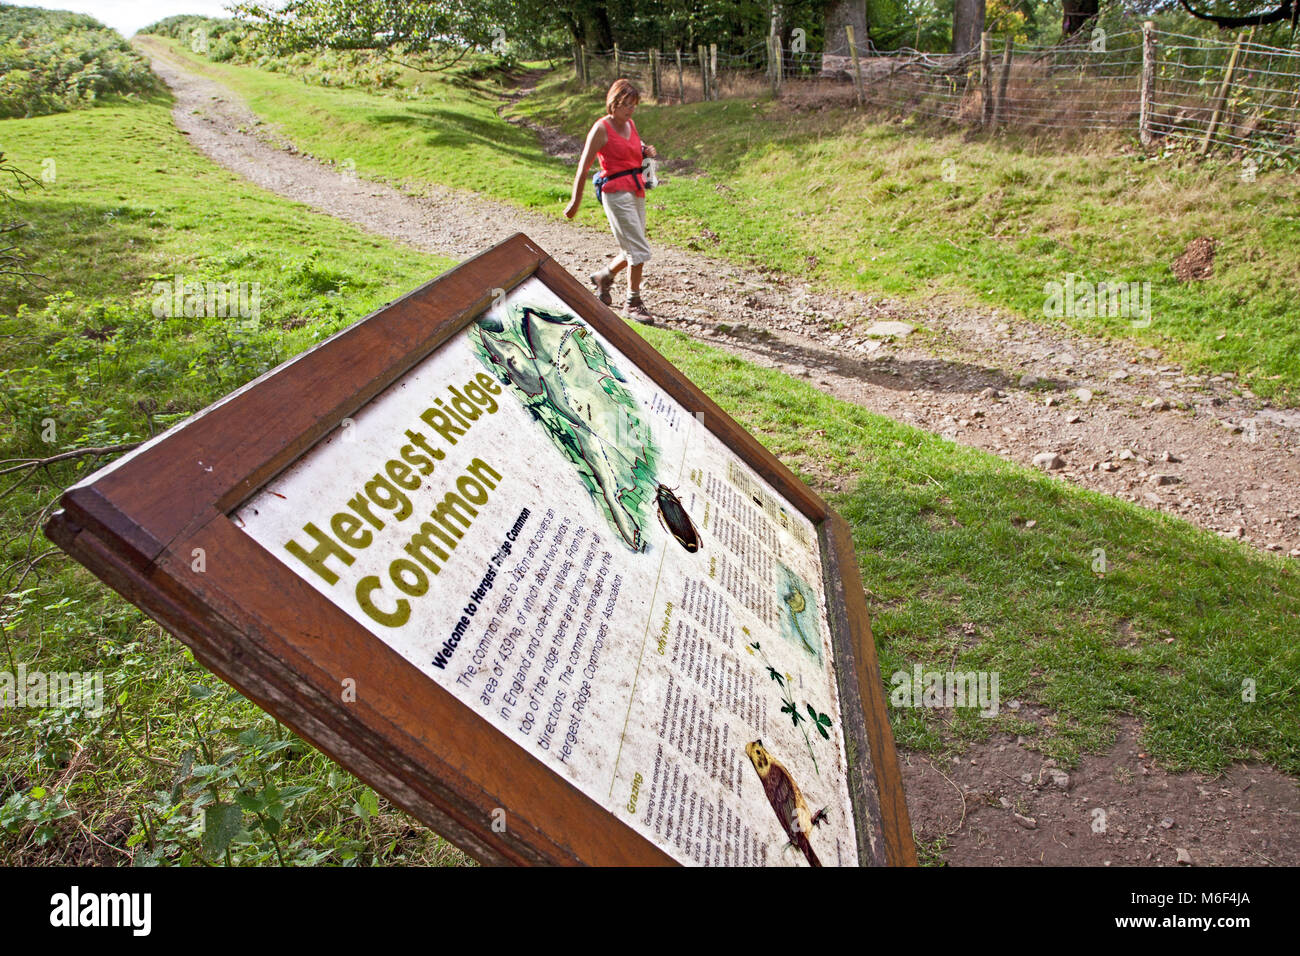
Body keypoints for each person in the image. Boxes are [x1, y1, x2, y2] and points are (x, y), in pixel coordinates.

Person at [564, 78, 658, 324]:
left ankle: (604, 277)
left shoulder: (631, 124)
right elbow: (583, 167)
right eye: (626, 104)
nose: (630, 109)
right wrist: (575, 201)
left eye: (633, 105)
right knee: (638, 249)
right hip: (615, 192)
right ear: (613, 102)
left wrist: (646, 152)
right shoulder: (601, 128)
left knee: (633, 247)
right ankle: (632, 302)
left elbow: (633, 150)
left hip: (636, 189)